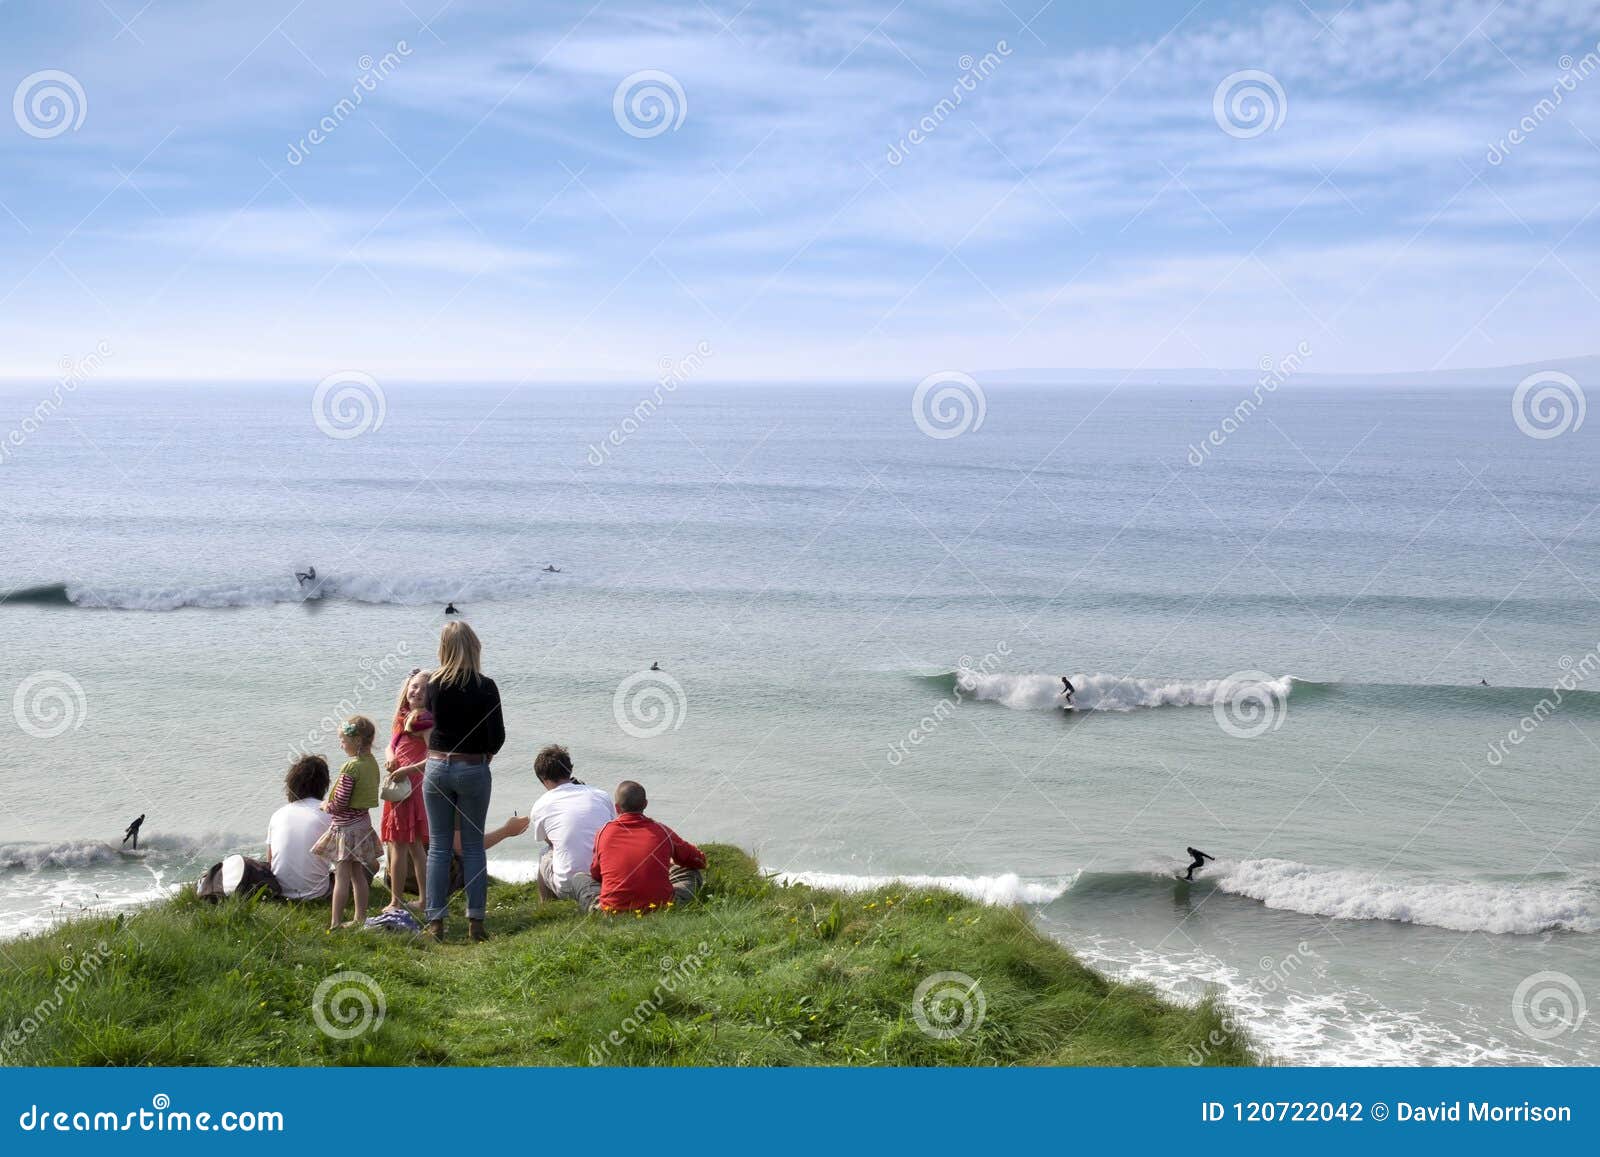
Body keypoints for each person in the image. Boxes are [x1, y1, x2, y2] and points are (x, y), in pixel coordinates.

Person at [422, 620, 505, 943]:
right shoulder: (486, 686)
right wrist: (485, 754)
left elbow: (431, 720)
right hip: (473, 768)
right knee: (472, 846)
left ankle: (436, 922)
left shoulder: (433, 686)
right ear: (475, 647)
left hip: (438, 767)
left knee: (439, 848)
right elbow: (497, 736)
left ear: (443, 648)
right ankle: (476, 921)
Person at [588, 780, 706, 914]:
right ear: (645, 804)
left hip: (612, 910)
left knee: (580, 879)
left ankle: (597, 909)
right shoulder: (661, 831)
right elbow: (699, 861)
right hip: (661, 907)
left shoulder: (604, 832)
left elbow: (596, 874)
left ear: (617, 808)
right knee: (691, 872)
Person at [312, 717, 382, 929]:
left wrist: (326, 806)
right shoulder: (371, 763)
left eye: (343, 740)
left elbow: (340, 803)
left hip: (346, 830)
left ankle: (335, 923)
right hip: (362, 825)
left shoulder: (351, 768)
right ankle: (359, 918)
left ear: (357, 740)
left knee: (341, 877)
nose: (340, 744)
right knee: (357, 874)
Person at [527, 744, 613, 907]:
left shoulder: (541, 805)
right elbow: (611, 831)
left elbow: (551, 843)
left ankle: (546, 905)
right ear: (570, 770)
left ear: (543, 779)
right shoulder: (601, 795)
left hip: (569, 886)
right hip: (607, 877)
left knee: (545, 854)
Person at [381, 670, 432, 914]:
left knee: (405, 847)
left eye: (424, 689)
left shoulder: (425, 722)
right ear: (406, 689)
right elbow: (391, 745)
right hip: (398, 789)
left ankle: (401, 900)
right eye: (414, 687)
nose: (418, 692)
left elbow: (434, 757)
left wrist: (407, 770)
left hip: (410, 790)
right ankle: (410, 899)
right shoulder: (403, 718)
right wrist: (391, 758)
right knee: (404, 847)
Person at [266, 756, 334, 900]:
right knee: (367, 867)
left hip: (280, 891)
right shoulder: (330, 814)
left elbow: (270, 860)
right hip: (317, 893)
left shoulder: (278, 814)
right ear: (324, 784)